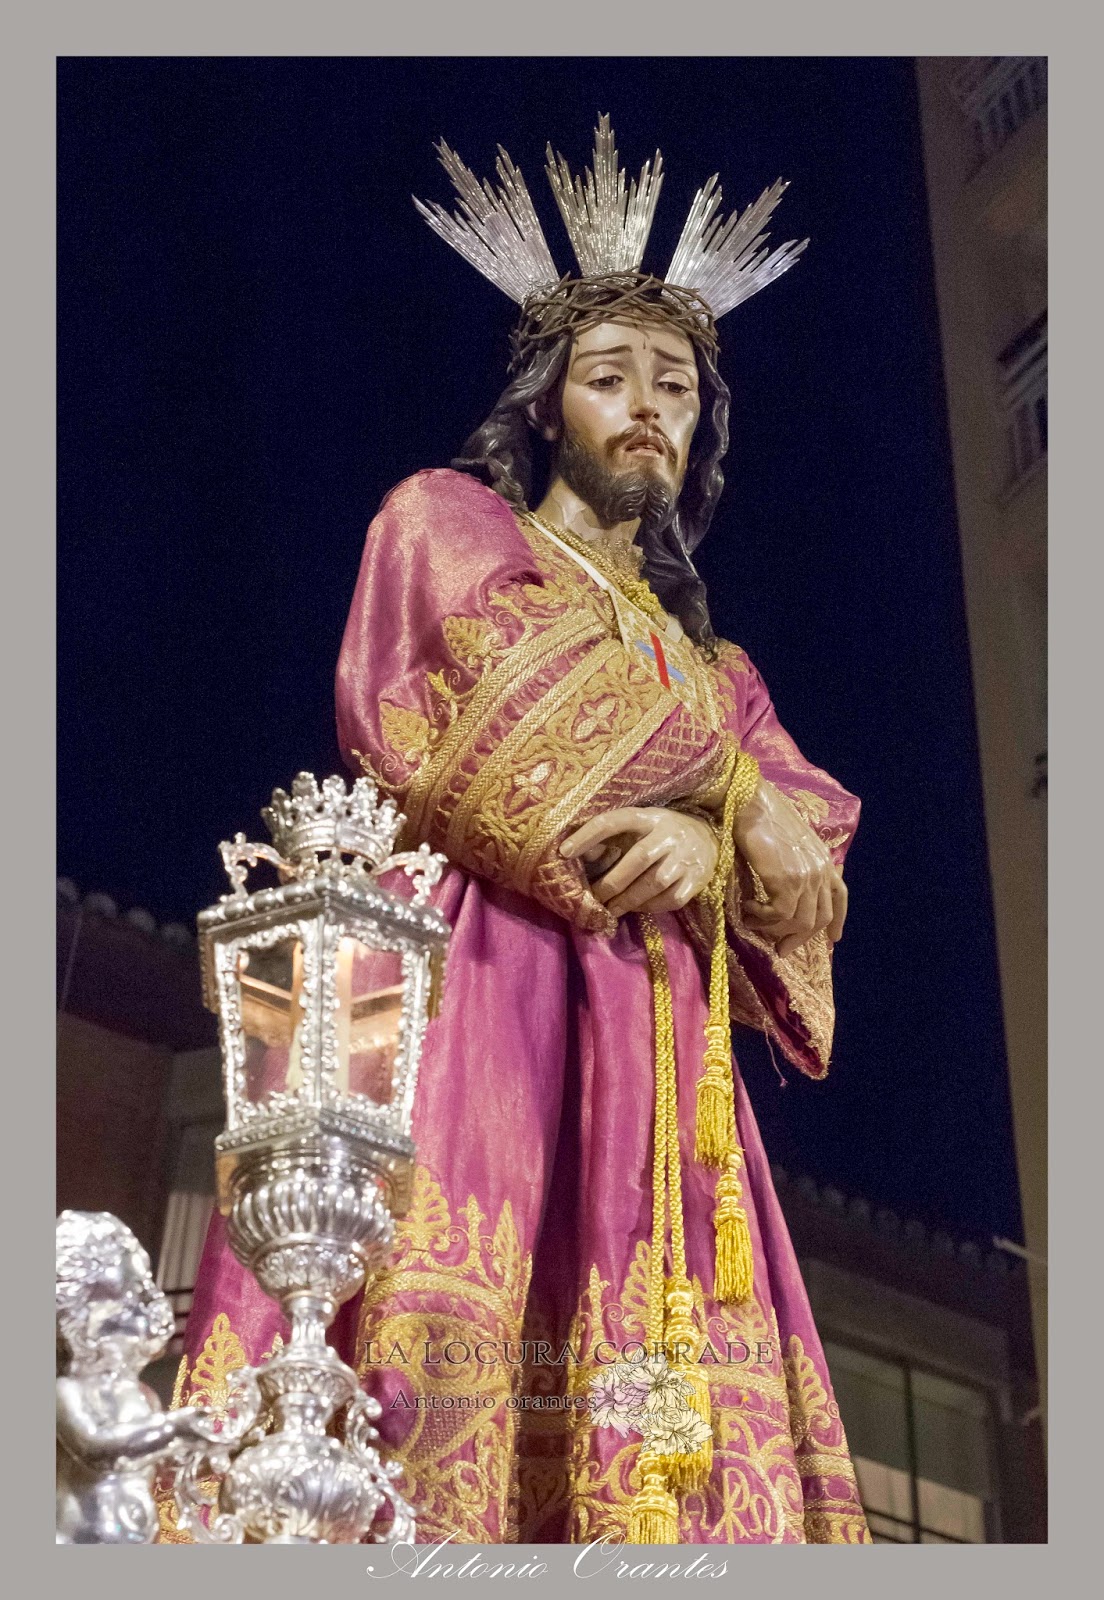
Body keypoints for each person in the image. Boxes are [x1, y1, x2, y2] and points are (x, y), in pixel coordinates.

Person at [167, 120, 871, 1546]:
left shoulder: (718, 670)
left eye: (676, 385)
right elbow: (519, 701)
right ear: (550, 404)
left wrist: (723, 842)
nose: (649, 409)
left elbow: (822, 845)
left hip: (663, 1064)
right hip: (484, 1011)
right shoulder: (450, 525)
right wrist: (733, 808)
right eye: (611, 377)